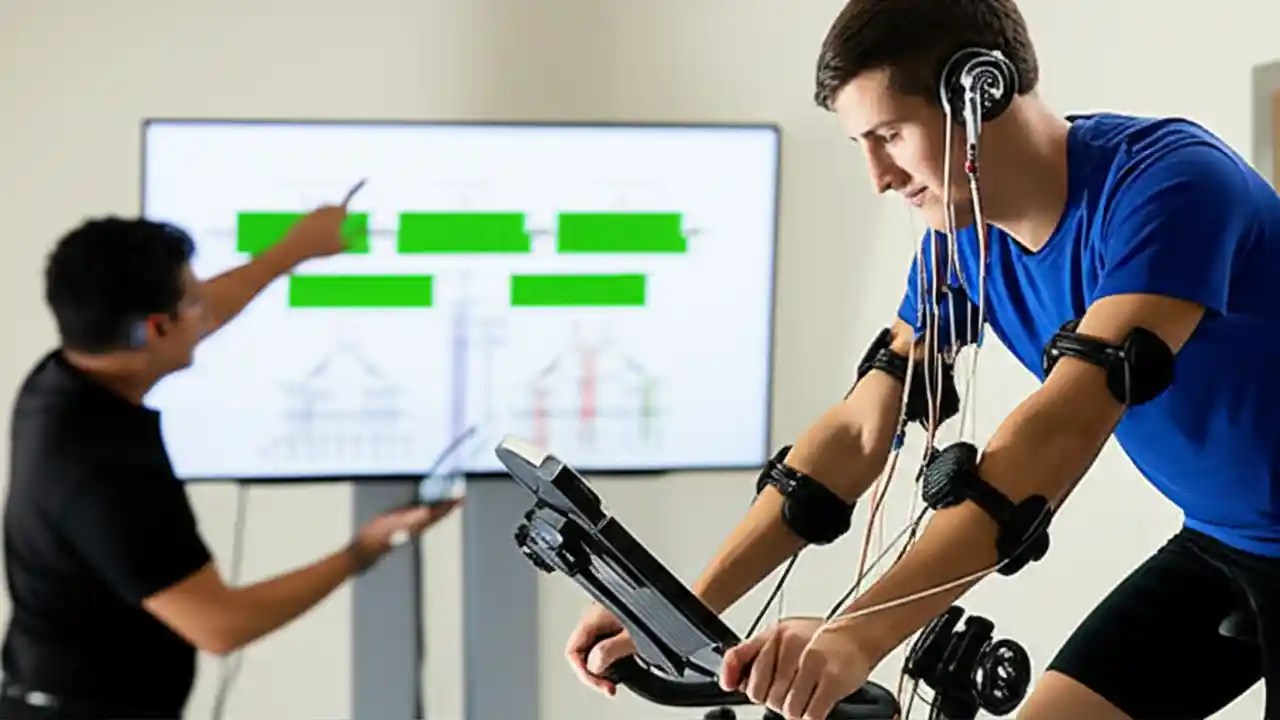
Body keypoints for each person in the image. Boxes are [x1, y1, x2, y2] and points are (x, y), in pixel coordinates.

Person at [564, 0, 1280, 718]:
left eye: (890, 135)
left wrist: (857, 635)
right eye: (861, 145)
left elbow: (1063, 424)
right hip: (1225, 543)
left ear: (982, 91)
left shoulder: (1170, 187)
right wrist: (676, 609)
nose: (878, 175)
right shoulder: (960, 243)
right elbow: (857, 433)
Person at [1, 200, 460, 719]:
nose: (208, 312)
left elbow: (208, 309)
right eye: (192, 302)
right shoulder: (100, 470)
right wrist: (364, 549)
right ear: (154, 328)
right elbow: (220, 625)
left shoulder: (65, 373)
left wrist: (294, 249)